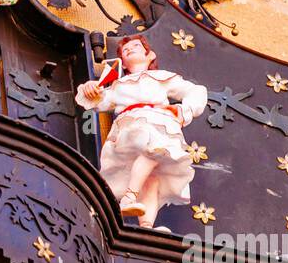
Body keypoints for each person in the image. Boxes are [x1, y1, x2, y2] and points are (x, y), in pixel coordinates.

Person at [75, 34, 208, 230]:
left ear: (150, 55)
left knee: (153, 178)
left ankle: (146, 226)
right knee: (154, 150)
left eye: (136, 46)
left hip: (160, 122)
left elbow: (195, 91)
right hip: (132, 125)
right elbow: (97, 101)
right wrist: (89, 89)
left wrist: (183, 110)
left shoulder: (161, 77)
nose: (129, 49)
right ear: (123, 63)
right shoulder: (118, 85)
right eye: (124, 50)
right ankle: (129, 197)